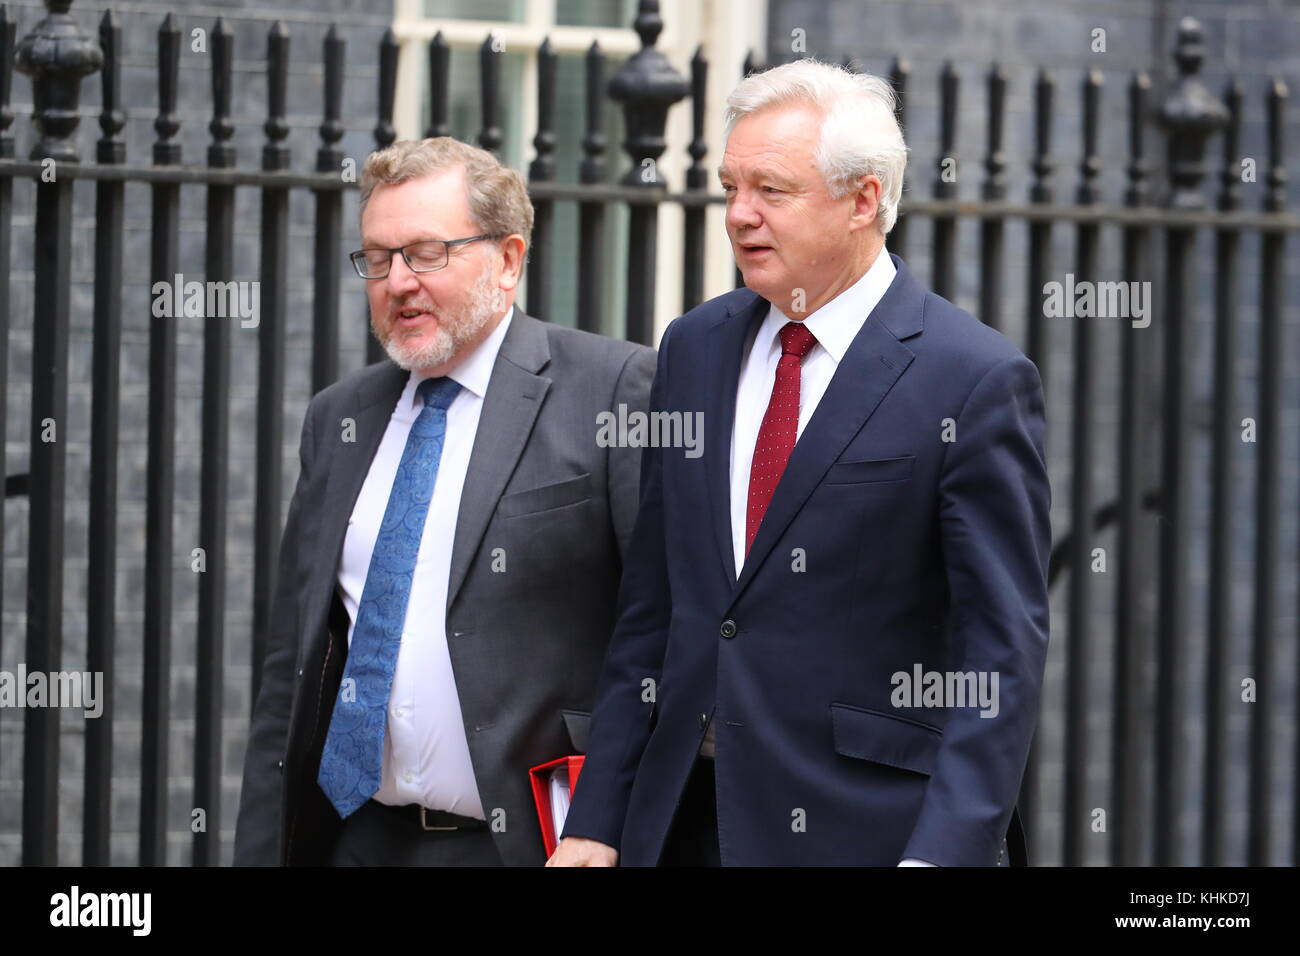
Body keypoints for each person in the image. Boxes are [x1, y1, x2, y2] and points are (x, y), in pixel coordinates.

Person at [549, 60, 1050, 867]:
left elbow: (999, 655)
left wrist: (942, 854)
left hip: (864, 831)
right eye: (730, 187)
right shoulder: (695, 347)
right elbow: (652, 607)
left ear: (863, 201)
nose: (739, 215)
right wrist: (597, 818)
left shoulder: (973, 377)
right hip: (678, 824)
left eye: (771, 191)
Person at [234, 137, 655, 866]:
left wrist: (603, 820)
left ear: (509, 258)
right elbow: (291, 664)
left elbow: (658, 630)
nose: (398, 282)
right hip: (359, 838)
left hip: (529, 846)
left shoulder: (613, 389)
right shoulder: (340, 419)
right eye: (378, 257)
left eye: (427, 253)